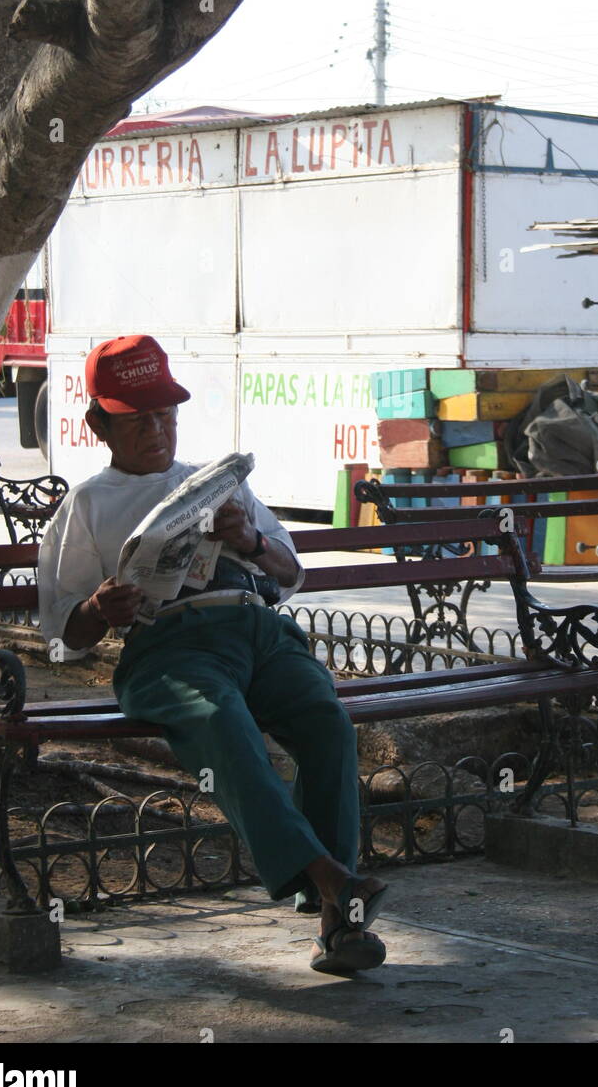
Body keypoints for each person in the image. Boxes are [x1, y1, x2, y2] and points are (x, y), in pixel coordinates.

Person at [38, 334, 386, 973]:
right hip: (171, 648)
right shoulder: (86, 504)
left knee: (325, 720)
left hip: (260, 631)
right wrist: (98, 609)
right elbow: (60, 636)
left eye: (166, 414)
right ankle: (332, 883)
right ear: (98, 425)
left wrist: (248, 538)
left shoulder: (214, 484)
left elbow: (290, 573)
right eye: (137, 418)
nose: (157, 429)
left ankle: (337, 916)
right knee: (222, 721)